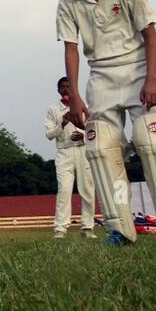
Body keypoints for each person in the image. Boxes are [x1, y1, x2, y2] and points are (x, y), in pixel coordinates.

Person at [56, 0, 156, 246]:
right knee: (100, 149)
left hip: (138, 72)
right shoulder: (67, 1)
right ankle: (120, 228)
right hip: (101, 77)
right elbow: (70, 48)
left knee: (154, 142)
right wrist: (75, 98)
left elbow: (150, 35)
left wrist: (151, 79)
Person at [44, 74, 97, 239]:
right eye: (63, 87)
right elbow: (49, 134)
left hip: (82, 149)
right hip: (64, 151)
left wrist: (82, 135)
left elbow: (93, 129)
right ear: (58, 90)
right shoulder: (53, 109)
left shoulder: (84, 106)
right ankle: (60, 229)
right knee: (64, 190)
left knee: (87, 190)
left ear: (74, 88)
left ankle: (87, 228)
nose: (66, 90)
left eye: (69, 87)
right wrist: (63, 123)